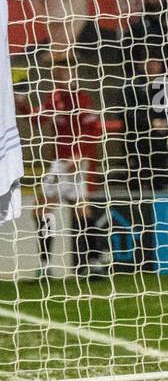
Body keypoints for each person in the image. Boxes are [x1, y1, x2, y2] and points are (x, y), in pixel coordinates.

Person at [33, 60, 109, 277]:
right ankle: (45, 265)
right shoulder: (54, 98)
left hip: (76, 162)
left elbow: (94, 130)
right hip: (58, 163)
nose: (63, 75)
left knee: (82, 210)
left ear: (74, 72)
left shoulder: (82, 98)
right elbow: (36, 119)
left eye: (67, 71)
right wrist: (20, 103)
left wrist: (81, 154)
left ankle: (95, 261)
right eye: (59, 72)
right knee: (41, 210)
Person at [121, 53, 168, 271]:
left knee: (160, 193)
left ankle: (159, 250)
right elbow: (129, 115)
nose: (153, 65)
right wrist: (152, 123)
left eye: (156, 61)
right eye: (149, 61)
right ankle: (138, 252)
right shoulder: (133, 87)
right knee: (137, 199)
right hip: (138, 149)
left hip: (160, 152)